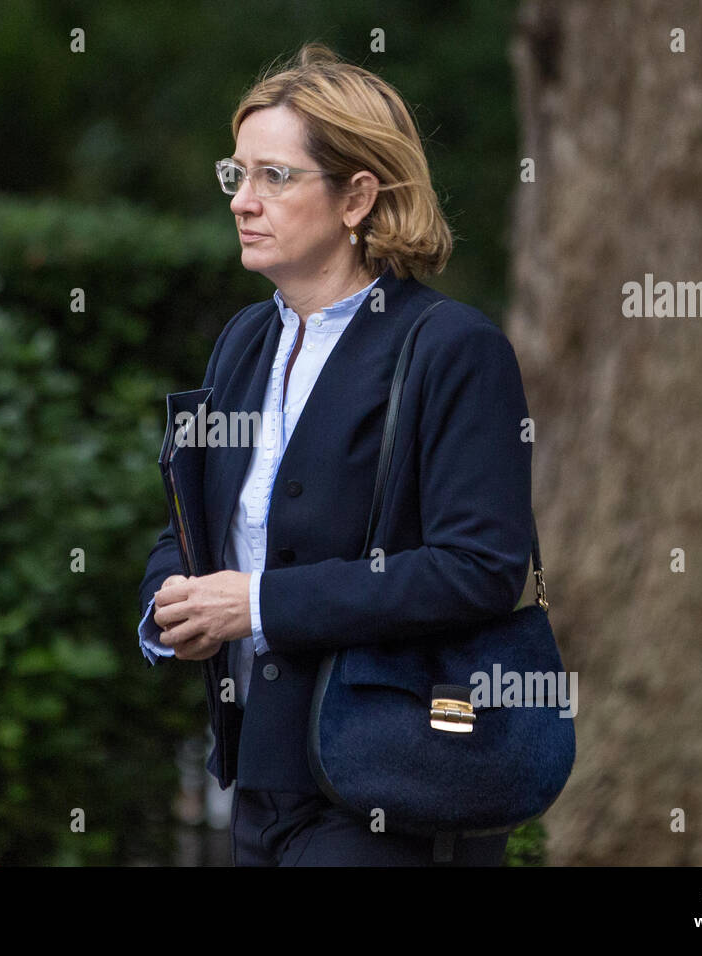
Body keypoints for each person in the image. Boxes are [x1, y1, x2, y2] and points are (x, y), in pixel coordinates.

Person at [136, 43, 533, 866]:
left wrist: (262, 605)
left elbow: (480, 567)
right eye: (235, 174)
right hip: (254, 775)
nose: (243, 201)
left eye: (274, 177)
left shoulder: (452, 348)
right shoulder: (243, 342)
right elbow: (195, 530)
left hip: (394, 774)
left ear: (358, 196)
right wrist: (167, 603)